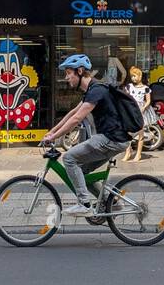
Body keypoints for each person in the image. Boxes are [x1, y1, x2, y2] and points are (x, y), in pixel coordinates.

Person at [40, 53, 130, 216]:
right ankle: (112, 203)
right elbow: (72, 113)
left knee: (69, 158)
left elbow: (77, 119)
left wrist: (54, 138)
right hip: (113, 139)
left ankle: (84, 204)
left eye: (68, 73)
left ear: (80, 71)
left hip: (111, 139)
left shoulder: (97, 90)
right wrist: (52, 132)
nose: (66, 78)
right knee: (79, 170)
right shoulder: (93, 89)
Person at [123, 66, 155, 162]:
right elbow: (126, 98)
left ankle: (138, 154)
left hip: (140, 112)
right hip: (130, 111)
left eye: (135, 76)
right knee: (127, 133)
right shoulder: (129, 87)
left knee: (141, 134)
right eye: (132, 76)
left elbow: (148, 100)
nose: (133, 78)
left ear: (140, 76)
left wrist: (144, 107)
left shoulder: (146, 88)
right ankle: (128, 152)